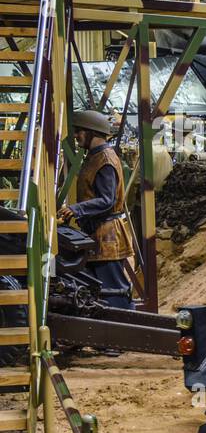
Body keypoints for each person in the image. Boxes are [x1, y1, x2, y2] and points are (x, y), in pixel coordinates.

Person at [58, 109, 134, 309]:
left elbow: (106, 201)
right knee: (99, 289)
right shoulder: (95, 157)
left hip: (107, 237)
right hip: (98, 234)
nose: (76, 135)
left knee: (115, 291)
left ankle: (128, 330)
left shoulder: (105, 160)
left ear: (92, 132)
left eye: (79, 131)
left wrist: (76, 209)